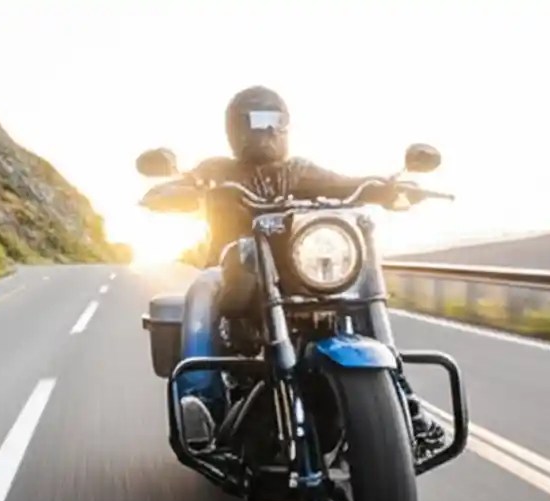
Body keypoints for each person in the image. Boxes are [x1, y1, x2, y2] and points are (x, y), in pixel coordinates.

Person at [175, 85, 446, 458]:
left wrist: (386, 188)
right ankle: (201, 404)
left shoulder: (299, 169)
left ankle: (403, 399)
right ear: (236, 127)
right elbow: (189, 182)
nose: (268, 129)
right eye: (257, 119)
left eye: (275, 120)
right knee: (202, 288)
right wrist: (177, 187)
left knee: (357, 276)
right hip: (235, 269)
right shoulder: (217, 171)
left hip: (297, 272)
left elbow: (346, 184)